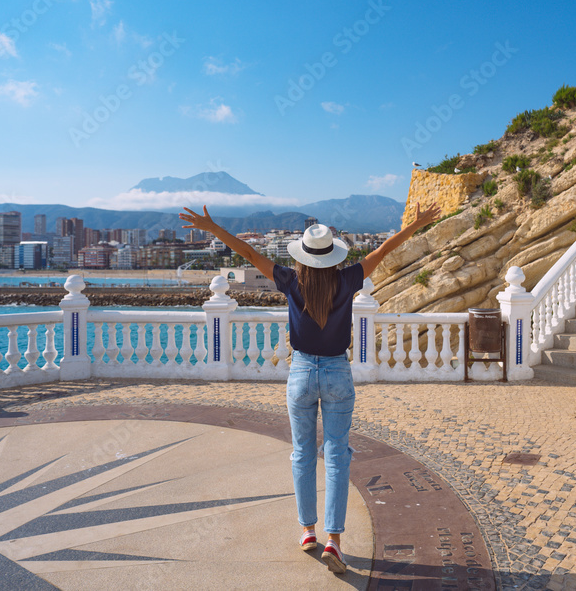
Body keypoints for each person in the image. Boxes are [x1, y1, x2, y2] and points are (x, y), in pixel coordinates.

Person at [179, 203, 441, 574]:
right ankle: (334, 539)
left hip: (301, 373)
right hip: (337, 371)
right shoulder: (348, 279)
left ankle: (308, 531)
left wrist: (213, 226)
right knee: (337, 455)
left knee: (302, 454)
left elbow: (248, 253)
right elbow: (384, 251)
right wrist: (415, 224)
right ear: (332, 256)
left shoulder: (290, 280)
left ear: (302, 256)